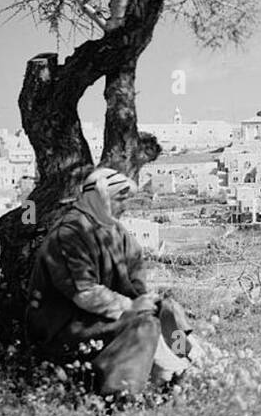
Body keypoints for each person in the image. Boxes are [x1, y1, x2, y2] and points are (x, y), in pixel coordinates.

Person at [25, 167, 200, 397]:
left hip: (103, 317)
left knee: (167, 311)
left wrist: (146, 302)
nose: (124, 206)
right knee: (145, 326)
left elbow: (136, 283)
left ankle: (183, 359)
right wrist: (131, 307)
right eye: (119, 199)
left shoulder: (118, 233)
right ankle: (122, 395)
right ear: (99, 197)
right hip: (66, 326)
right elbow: (85, 294)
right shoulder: (70, 234)